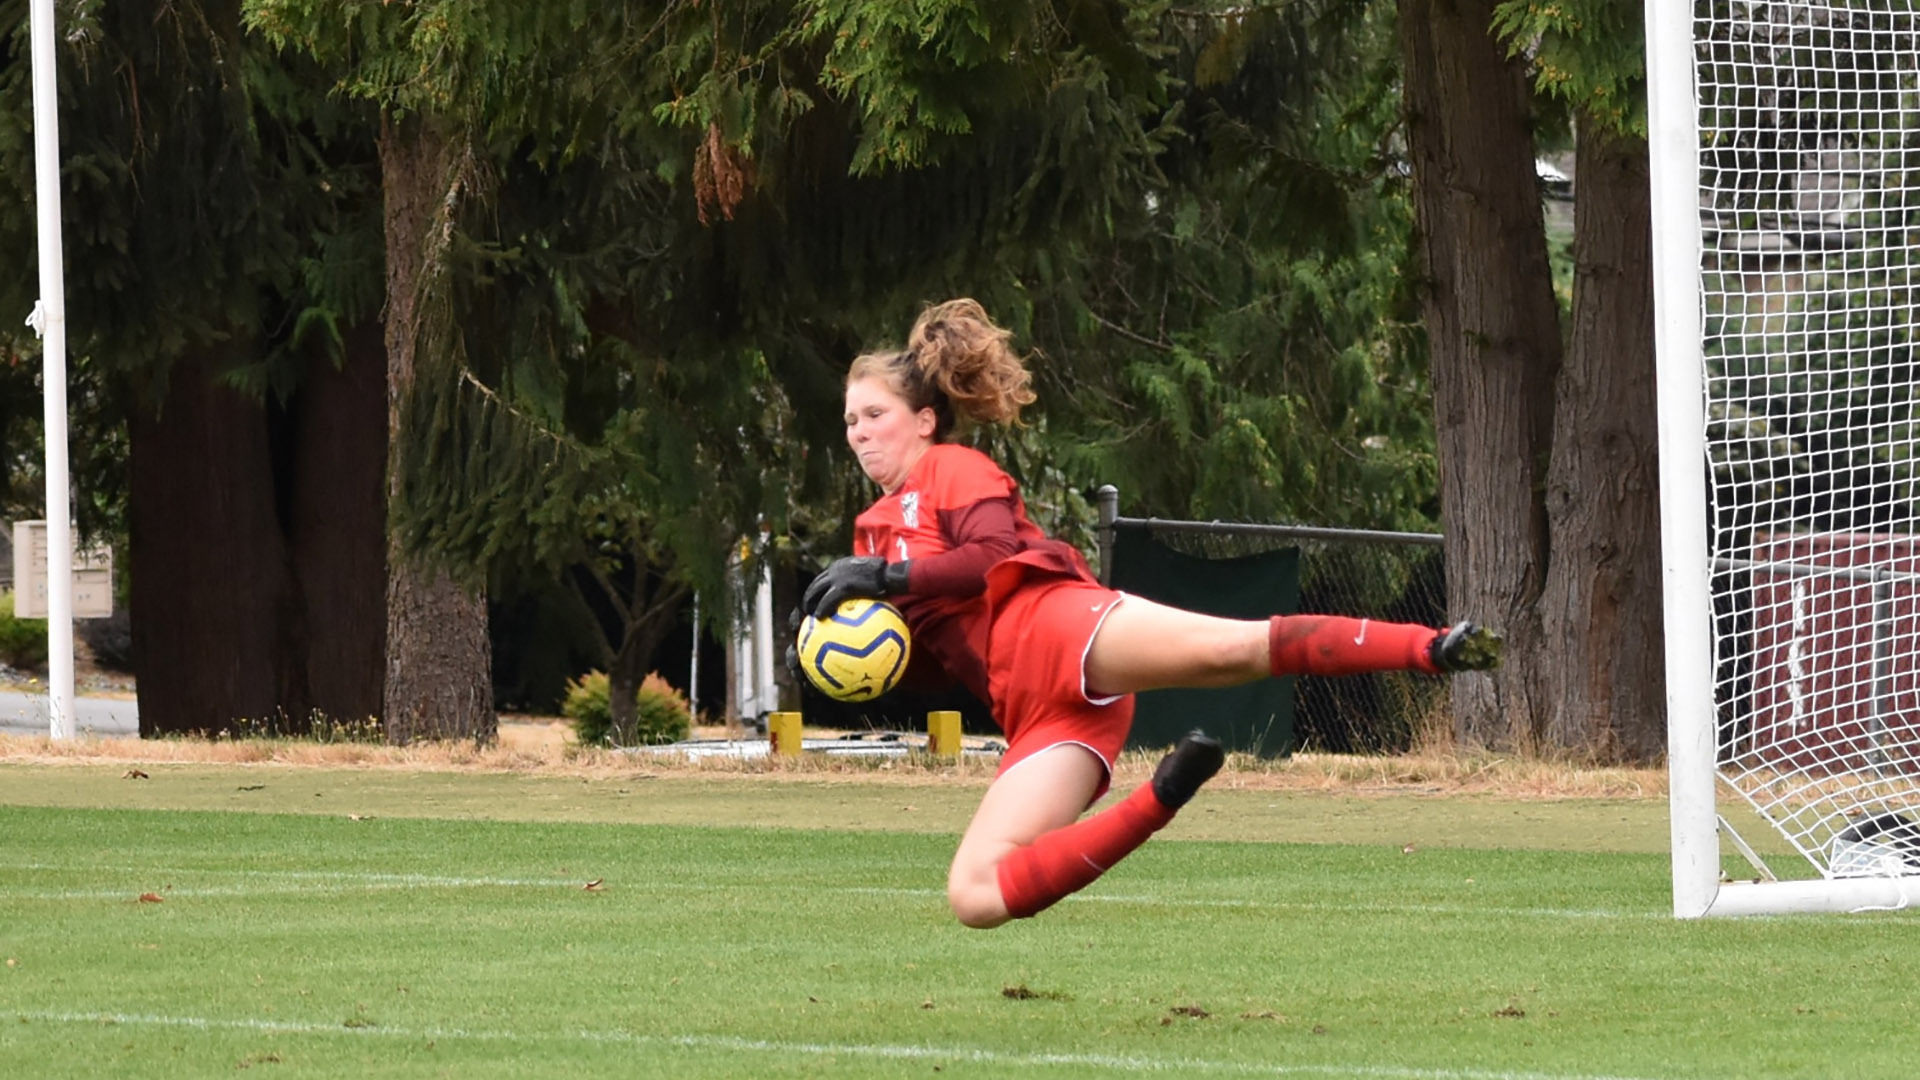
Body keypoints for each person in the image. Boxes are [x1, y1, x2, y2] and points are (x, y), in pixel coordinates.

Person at [796, 298, 1502, 930]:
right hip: (1036, 710)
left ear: (924, 420)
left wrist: (886, 577)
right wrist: (871, 664)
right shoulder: (871, 530)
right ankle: (1164, 794)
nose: (859, 432)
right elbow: (937, 658)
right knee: (975, 895)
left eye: (875, 415)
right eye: (850, 420)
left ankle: (1433, 647)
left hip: (1053, 627)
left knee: (1234, 651)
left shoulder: (950, 469)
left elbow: (991, 555)